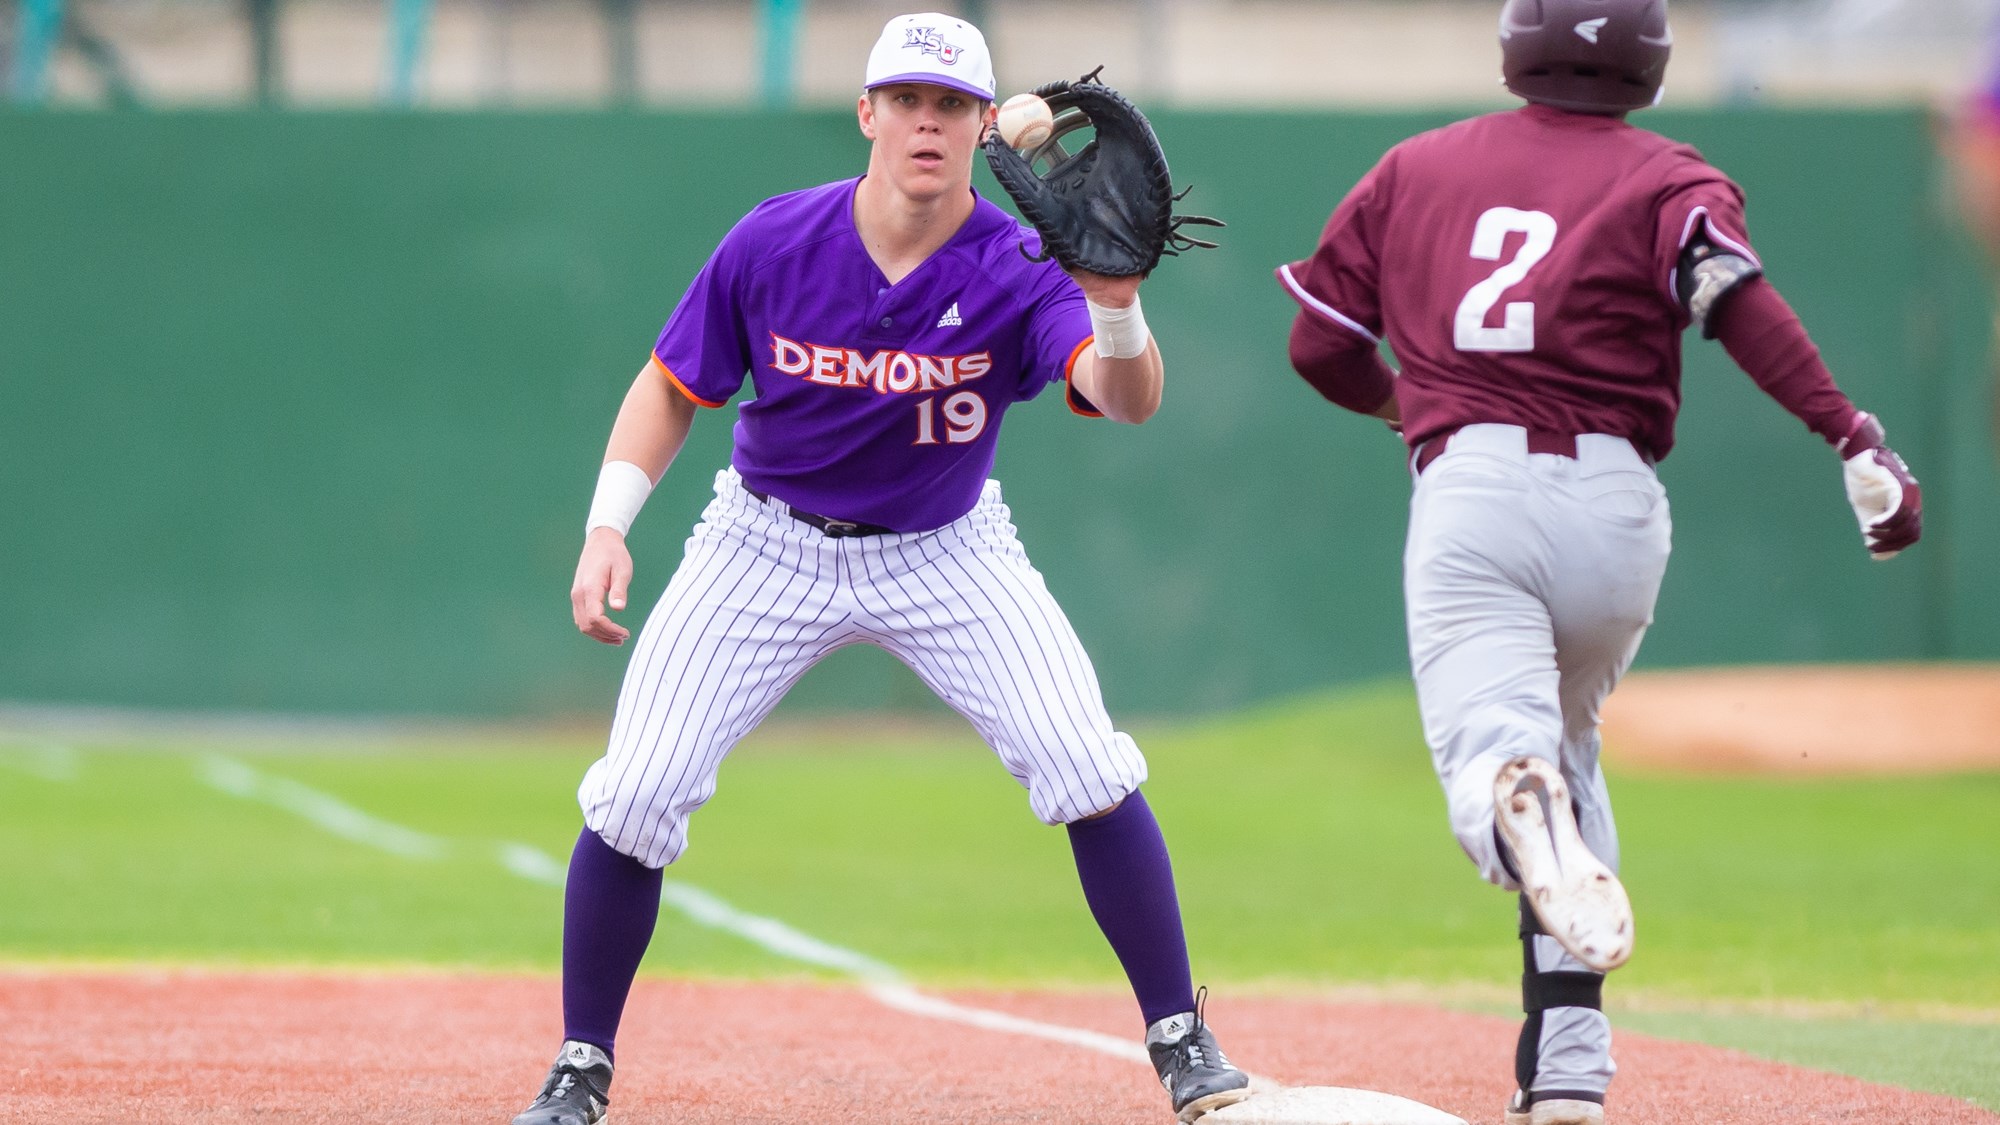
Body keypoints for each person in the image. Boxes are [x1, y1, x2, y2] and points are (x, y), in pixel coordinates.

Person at [508, 13, 1251, 1125]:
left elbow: (1125, 399)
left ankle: (1180, 1038)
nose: (926, 123)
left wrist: (1117, 299)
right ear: (866, 114)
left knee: (1083, 763)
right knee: (639, 792)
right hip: (762, 544)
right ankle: (579, 1066)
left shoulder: (1016, 263)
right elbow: (671, 384)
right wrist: (608, 523)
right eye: (905, 101)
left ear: (981, 127)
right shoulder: (773, 241)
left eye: (951, 106)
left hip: (945, 551)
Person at [1274, 2, 1922, 1123]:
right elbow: (1739, 307)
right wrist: (1849, 434)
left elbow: (1319, 342)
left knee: (1498, 760)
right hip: (1616, 510)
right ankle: (1567, 1067)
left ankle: (1512, 800)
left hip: (1472, 486)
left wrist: (1405, 409)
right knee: (1569, 749)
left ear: (1515, 42)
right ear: (1647, 60)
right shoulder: (1669, 176)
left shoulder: (1418, 166)